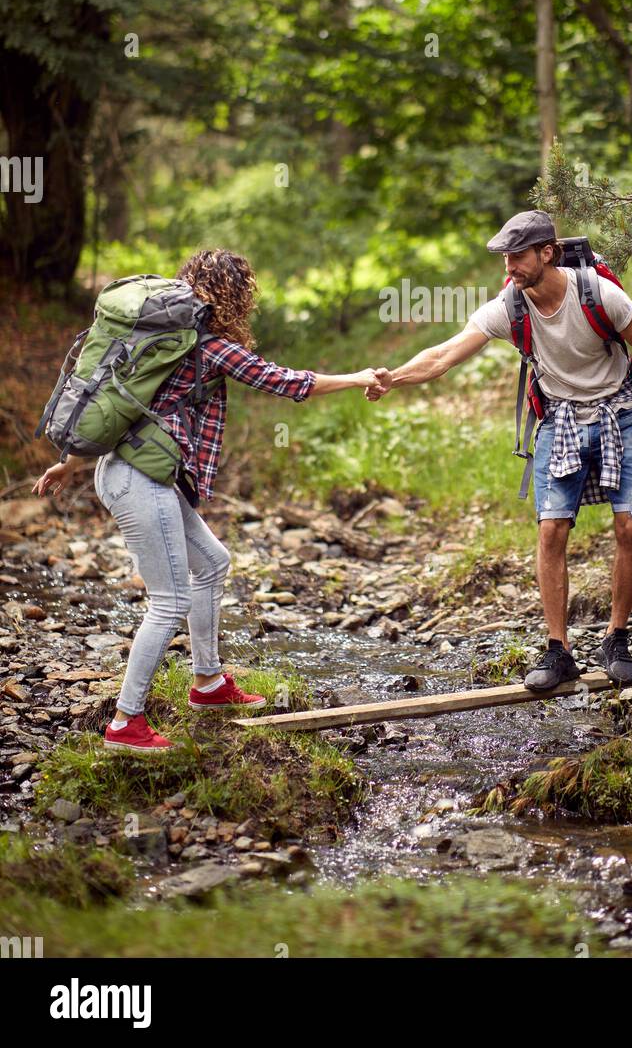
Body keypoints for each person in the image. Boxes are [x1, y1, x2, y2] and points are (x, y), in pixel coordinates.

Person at [32, 249, 385, 754]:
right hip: (139, 479)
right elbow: (284, 381)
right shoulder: (208, 345)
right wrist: (357, 378)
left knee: (213, 563)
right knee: (169, 600)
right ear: (236, 295)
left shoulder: (167, 342)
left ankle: (209, 683)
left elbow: (117, 401)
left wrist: (71, 458)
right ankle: (125, 722)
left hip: (138, 473)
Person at [365, 211, 632, 692]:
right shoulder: (509, 306)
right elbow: (443, 356)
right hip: (558, 416)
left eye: (517, 256)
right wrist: (395, 377)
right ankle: (559, 651)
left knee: (630, 525)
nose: (508, 266)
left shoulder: (598, 293)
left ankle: (617, 639)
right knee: (551, 528)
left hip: (622, 410)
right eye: (505, 257)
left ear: (547, 253)